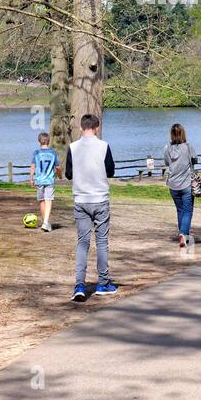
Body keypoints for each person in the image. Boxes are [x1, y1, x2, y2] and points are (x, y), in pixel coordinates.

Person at [65, 113, 117, 301]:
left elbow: (69, 174)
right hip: (100, 198)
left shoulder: (73, 147)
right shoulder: (104, 146)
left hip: (81, 199)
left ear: (81, 127)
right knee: (101, 242)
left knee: (82, 242)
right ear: (96, 128)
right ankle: (103, 283)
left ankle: (79, 284)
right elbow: (111, 171)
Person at [163, 123, 196, 249]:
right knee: (188, 210)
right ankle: (183, 234)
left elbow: (167, 162)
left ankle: (184, 234)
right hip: (187, 183)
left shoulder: (167, 148)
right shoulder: (188, 147)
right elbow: (194, 160)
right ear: (183, 133)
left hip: (173, 184)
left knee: (180, 210)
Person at [29, 132, 58, 232]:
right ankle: (46, 223)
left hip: (39, 180)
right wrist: (60, 174)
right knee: (48, 200)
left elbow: (33, 166)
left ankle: (45, 222)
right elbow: (57, 167)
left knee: (42, 201)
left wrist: (31, 178)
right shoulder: (53, 152)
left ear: (39, 141)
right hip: (49, 180)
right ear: (48, 141)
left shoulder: (36, 153)